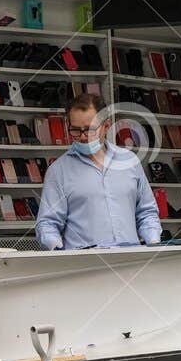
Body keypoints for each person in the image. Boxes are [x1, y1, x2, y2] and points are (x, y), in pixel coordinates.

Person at [34, 94, 162, 251]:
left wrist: (154, 244)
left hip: (131, 259)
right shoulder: (58, 171)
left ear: (106, 126)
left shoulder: (129, 162)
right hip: (84, 263)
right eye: (75, 130)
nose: (82, 137)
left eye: (89, 130)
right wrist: (58, 250)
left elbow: (147, 212)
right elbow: (47, 224)